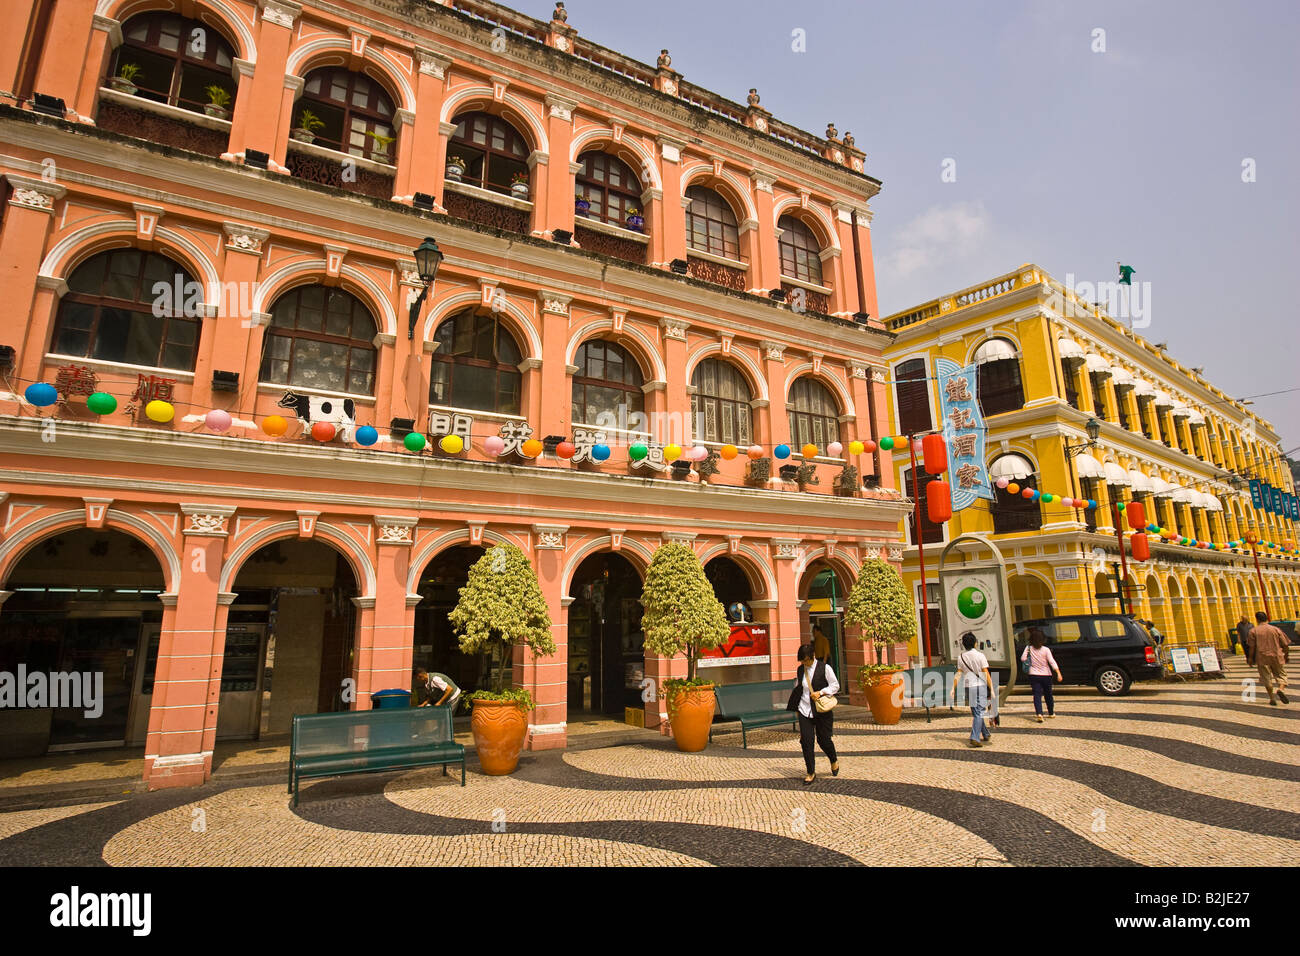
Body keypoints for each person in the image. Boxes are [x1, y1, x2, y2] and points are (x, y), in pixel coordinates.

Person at [785, 642, 840, 784]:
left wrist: (821, 692)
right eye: (801, 660)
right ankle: (810, 771)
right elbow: (799, 689)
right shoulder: (800, 670)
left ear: (812, 656)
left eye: (805, 660)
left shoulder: (825, 668)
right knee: (806, 741)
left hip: (822, 710)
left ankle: (833, 759)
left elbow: (835, 685)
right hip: (804, 710)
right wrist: (796, 707)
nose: (804, 663)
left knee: (824, 740)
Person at [952, 632, 993, 747]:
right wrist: (992, 688)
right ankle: (974, 737)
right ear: (975, 643)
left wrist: (953, 688)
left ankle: (985, 733)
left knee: (976, 712)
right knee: (979, 712)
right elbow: (986, 674)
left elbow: (958, 674)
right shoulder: (980, 656)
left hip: (968, 687)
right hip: (980, 686)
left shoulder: (961, 657)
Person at [1246, 612, 1291, 705]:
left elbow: (1252, 647)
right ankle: (1281, 689)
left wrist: (1250, 658)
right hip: (1276, 656)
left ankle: (1272, 698)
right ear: (1266, 618)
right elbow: (1285, 644)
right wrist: (1286, 655)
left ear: (1257, 619)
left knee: (1266, 677)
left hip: (1262, 657)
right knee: (1281, 675)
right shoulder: (1275, 629)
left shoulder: (1253, 631)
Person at [1020, 628, 1063, 723]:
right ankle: (1051, 712)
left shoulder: (1028, 648)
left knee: (1037, 694)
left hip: (1033, 674)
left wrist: (1030, 659)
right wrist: (1058, 673)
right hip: (1046, 675)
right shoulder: (1046, 650)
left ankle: (1039, 713)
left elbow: (1023, 658)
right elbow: (1052, 662)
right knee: (1048, 694)